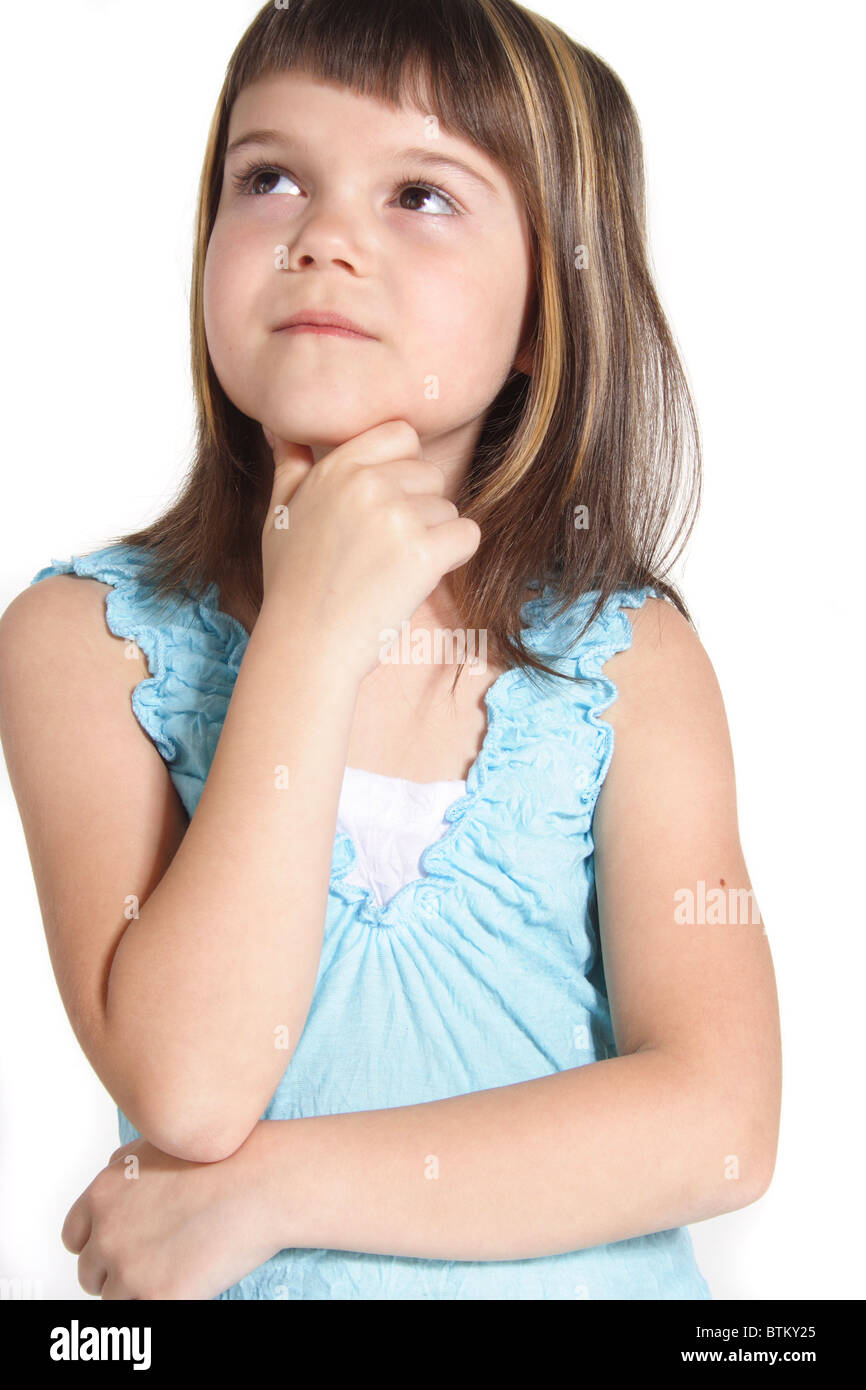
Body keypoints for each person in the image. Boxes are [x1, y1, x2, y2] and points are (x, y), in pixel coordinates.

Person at [0, 0, 781, 1300]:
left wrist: (271, 1188)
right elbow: (190, 1085)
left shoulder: (627, 664)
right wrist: (311, 630)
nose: (321, 237)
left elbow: (720, 1124)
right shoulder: (86, 646)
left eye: (420, 195)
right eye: (269, 177)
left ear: (540, 315)